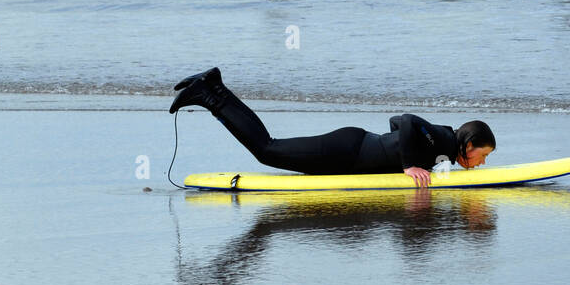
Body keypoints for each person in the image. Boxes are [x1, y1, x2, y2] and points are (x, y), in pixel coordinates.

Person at [168, 67, 495, 188]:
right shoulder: (442, 137)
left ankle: (213, 88)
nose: (482, 163)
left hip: (352, 148)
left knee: (269, 148)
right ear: (469, 144)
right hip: (346, 151)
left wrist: (397, 153)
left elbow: (396, 126)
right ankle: (210, 95)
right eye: (483, 155)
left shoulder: (443, 147)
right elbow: (407, 120)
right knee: (267, 150)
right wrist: (408, 164)